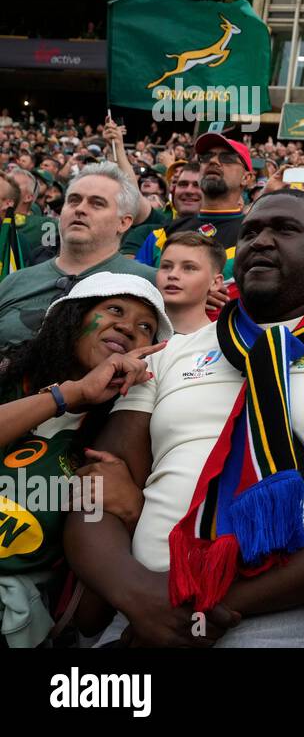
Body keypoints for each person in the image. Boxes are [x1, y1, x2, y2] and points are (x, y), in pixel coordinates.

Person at [65, 189, 304, 648]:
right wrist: (139, 594)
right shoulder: (172, 353)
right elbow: (95, 487)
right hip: (145, 611)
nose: (261, 241)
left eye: (285, 230)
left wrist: (214, 606)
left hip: (288, 615)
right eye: (251, 231)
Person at [0, 273, 169, 647]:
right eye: (113, 310)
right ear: (72, 317)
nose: (127, 327)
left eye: (145, 327)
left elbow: (92, 616)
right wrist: (71, 393)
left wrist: (132, 512)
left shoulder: (121, 436)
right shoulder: (9, 374)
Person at [0, 163, 156, 349]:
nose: (80, 209)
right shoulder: (15, 282)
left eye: (97, 203)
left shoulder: (149, 283)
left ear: (124, 222)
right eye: (73, 200)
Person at [134, 133, 252, 284]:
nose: (213, 161)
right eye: (206, 157)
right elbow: (135, 288)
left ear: (246, 178)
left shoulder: (254, 237)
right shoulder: (161, 235)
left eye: (227, 158)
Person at [156, 231, 226, 336]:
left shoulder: (220, 345)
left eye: (189, 268)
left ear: (215, 283)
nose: (172, 274)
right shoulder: (135, 331)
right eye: (166, 266)